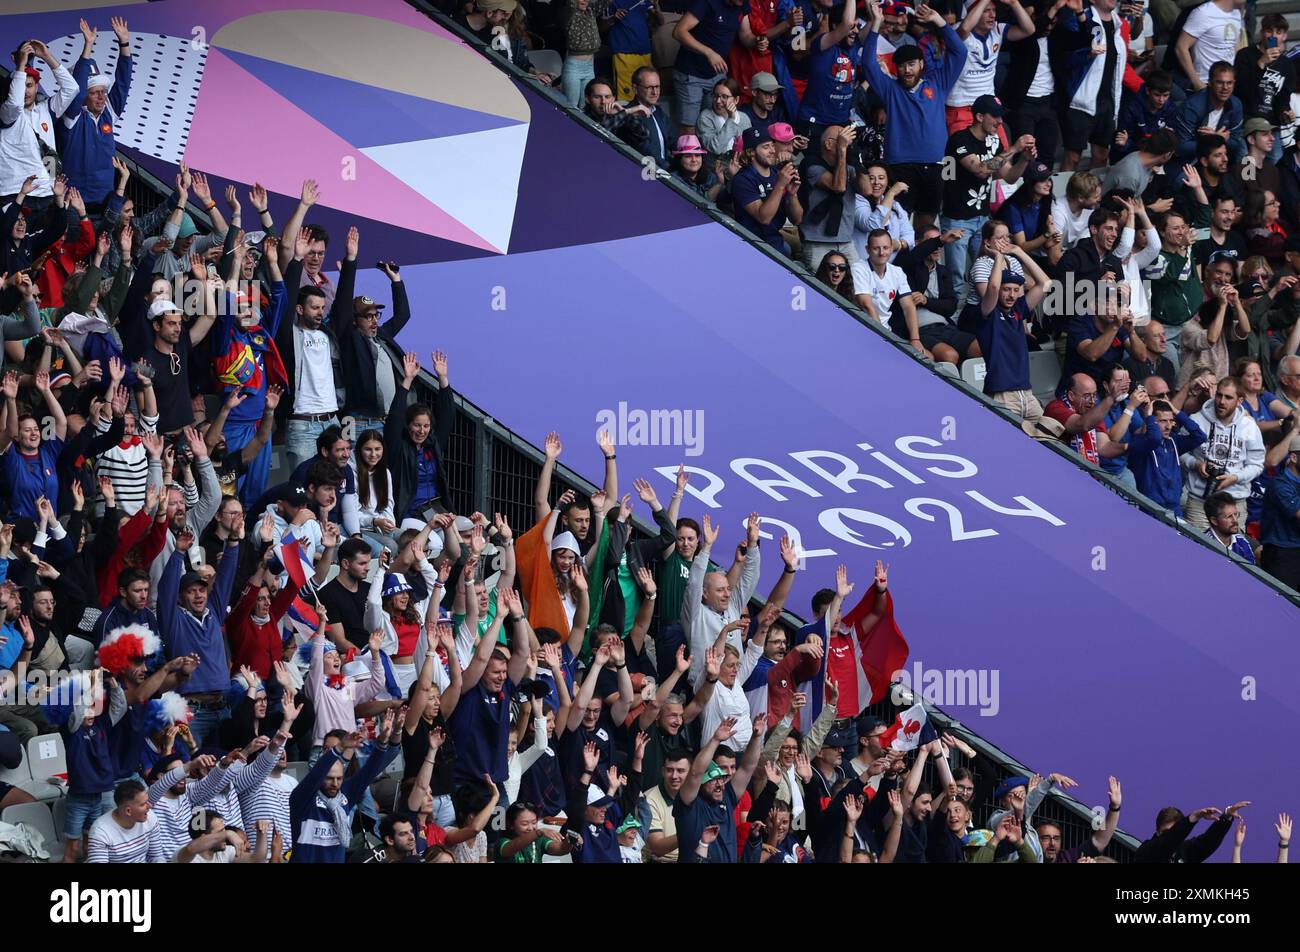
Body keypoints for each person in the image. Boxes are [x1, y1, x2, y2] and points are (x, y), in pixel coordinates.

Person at [861, 2, 969, 233]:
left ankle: (922, 268)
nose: (906, 70)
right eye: (901, 66)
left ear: (921, 64)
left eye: (911, 64)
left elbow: (960, 52)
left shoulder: (938, 83)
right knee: (897, 224)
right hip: (901, 166)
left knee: (927, 224)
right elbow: (868, 63)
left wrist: (939, 22)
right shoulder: (890, 89)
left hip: (935, 165)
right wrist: (875, 25)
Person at [289, 710, 402, 863]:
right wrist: (339, 747)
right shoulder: (303, 797)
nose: (335, 784)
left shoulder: (345, 795)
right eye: (329, 779)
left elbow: (369, 772)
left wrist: (382, 741)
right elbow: (316, 775)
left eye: (339, 778)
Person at [976, 244, 1052, 421]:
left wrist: (1018, 252)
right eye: (1007, 289)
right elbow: (993, 287)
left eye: (1016, 290)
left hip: (1027, 395)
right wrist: (999, 257)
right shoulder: (989, 311)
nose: (1011, 295)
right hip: (1001, 396)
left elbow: (1045, 283)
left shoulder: (1019, 310)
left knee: (1050, 441)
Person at [0, 40, 78, 207]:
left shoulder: (46, 109)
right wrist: (21, 66)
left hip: (46, 193)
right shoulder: (7, 113)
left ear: (37, 87)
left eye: (30, 85)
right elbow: (14, 103)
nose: (26, 91)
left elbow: (72, 88)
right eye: (21, 86)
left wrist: (46, 56)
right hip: (14, 192)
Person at [1183, 375, 1266, 531]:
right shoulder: (1196, 419)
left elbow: (1256, 465)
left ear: (1239, 401)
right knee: (1196, 551)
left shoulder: (1249, 426)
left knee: (1231, 552)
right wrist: (1196, 464)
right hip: (1200, 502)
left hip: (1235, 503)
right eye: (1219, 395)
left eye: (1228, 397)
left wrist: (1235, 478)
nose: (1222, 401)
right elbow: (1179, 451)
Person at [1126, 398, 1208, 517]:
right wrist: (1148, 417)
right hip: (1149, 509)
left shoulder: (1173, 441)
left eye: (1171, 421)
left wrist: (1177, 412)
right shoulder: (1140, 442)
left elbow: (1200, 437)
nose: (1169, 426)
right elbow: (1154, 439)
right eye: (1163, 421)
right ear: (1151, 421)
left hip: (1174, 509)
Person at [731, 127, 804, 254]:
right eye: (766, 147)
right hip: (752, 246)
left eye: (772, 146)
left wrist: (792, 195)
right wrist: (780, 185)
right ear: (752, 152)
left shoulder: (777, 174)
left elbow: (797, 219)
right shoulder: (743, 179)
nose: (772, 151)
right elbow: (764, 218)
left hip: (776, 242)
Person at [1260, 433, 1300, 587]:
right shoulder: (1280, 484)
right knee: (1282, 603)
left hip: (1294, 550)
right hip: (1281, 554)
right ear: (1294, 458)